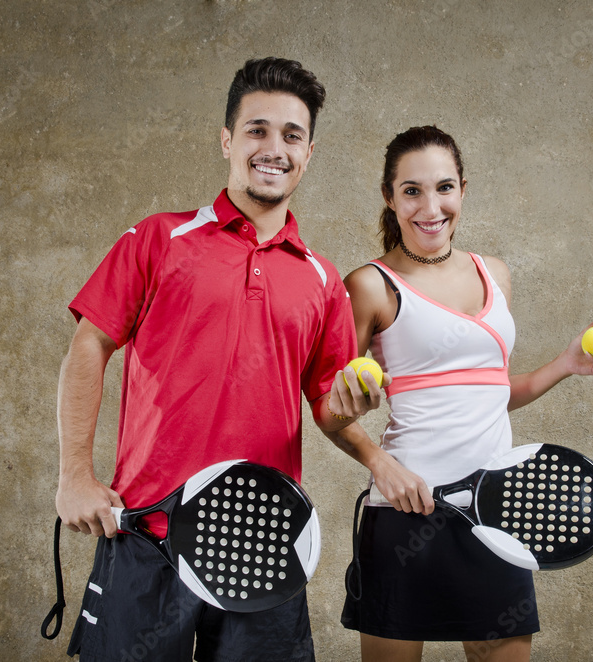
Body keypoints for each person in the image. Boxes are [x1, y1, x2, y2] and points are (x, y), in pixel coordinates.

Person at [55, 57, 384, 662]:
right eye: (257, 129)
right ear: (227, 140)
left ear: (310, 152)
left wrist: (352, 411)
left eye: (292, 135)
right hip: (147, 535)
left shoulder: (322, 281)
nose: (274, 148)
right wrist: (74, 473)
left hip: (264, 544)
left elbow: (326, 406)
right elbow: (88, 346)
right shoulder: (158, 238)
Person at [335, 126, 593, 662]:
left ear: (463, 190)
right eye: (412, 190)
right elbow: (331, 410)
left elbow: (490, 394)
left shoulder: (494, 273)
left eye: (444, 188)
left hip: (497, 512)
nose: (431, 206)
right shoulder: (370, 285)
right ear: (389, 196)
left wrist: (566, 364)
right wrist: (381, 465)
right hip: (406, 513)